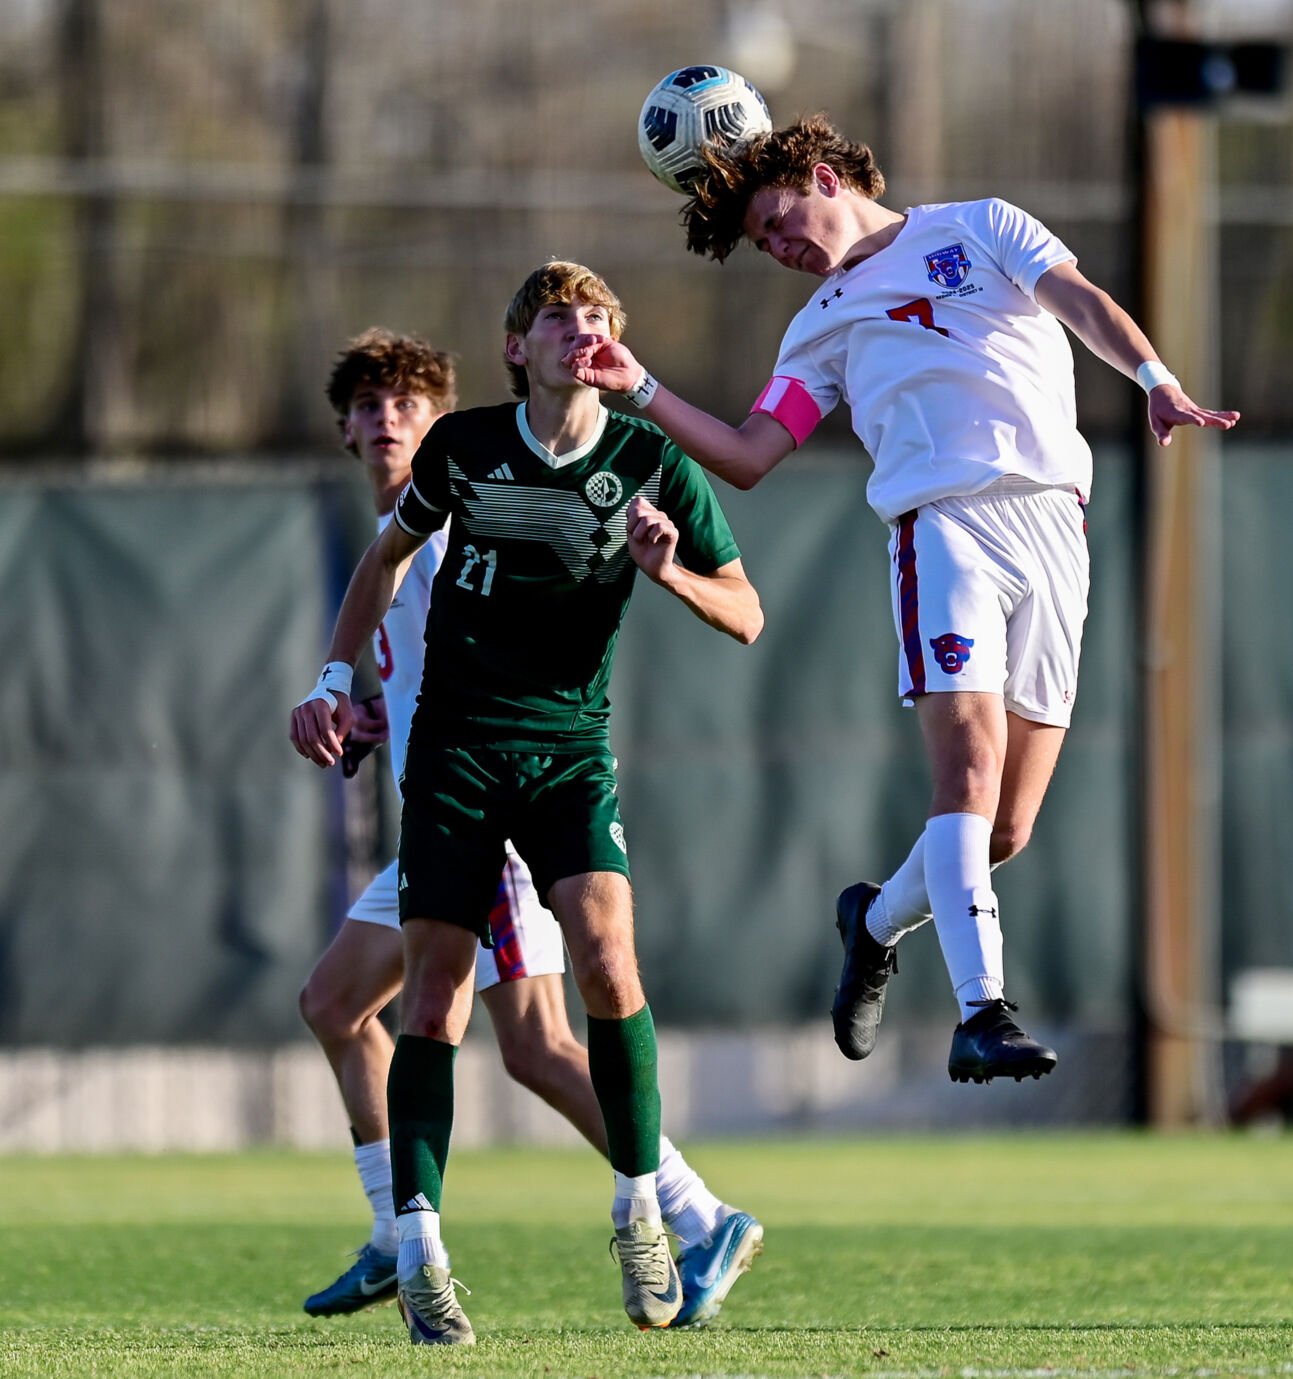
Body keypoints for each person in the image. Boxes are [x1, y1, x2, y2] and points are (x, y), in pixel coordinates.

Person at [568, 115, 1239, 1087]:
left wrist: (1155, 377)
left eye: (778, 220)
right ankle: (982, 1011)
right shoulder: (822, 323)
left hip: (1054, 527)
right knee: (964, 771)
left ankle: (873, 920)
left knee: (1005, 828)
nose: (781, 248)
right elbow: (752, 455)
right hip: (943, 529)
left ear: (827, 176)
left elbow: (1079, 299)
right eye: (764, 244)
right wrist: (643, 388)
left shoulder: (981, 226)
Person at [289, 271, 764, 1341]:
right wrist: (348, 696)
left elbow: (744, 606)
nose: (384, 422)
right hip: (449, 772)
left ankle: (676, 1209)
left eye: (403, 403)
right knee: (366, 1006)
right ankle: (405, 1232)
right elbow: (393, 601)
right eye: (366, 407)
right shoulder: (458, 470)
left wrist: (669, 571)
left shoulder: (631, 464)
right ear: (518, 345)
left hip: (549, 761)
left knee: (552, 1024)